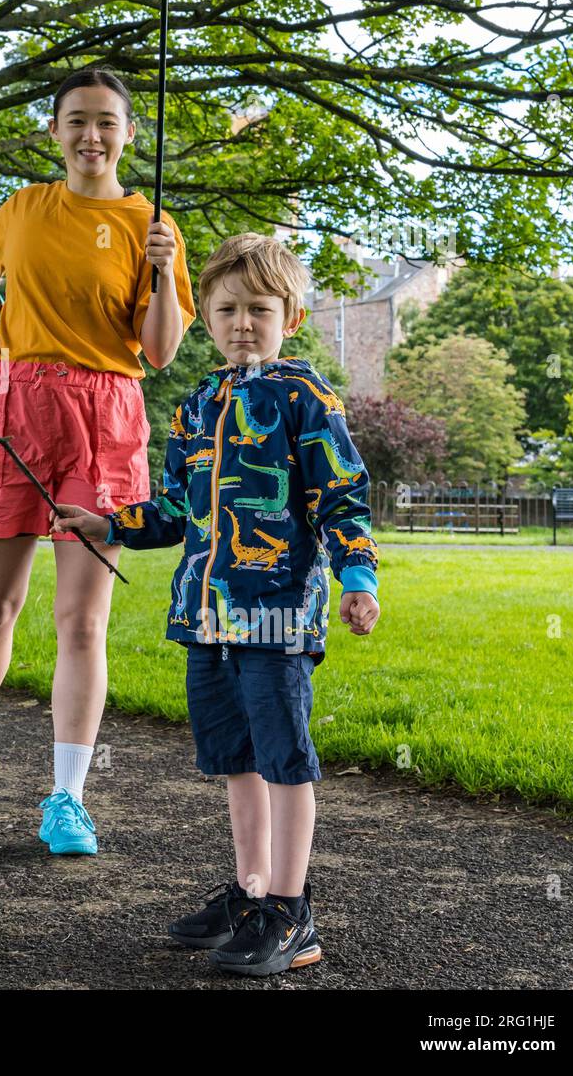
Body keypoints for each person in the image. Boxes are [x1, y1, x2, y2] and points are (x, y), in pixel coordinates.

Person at [53, 232, 381, 974]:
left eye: (258, 309)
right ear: (203, 313)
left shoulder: (305, 397)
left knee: (285, 761)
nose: (241, 322)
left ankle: (291, 913)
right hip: (207, 623)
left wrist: (359, 575)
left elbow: (342, 497)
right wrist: (108, 522)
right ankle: (251, 892)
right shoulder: (199, 403)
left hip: (275, 621)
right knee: (236, 762)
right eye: (226, 308)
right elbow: (174, 507)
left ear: (290, 316)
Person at [0, 68, 196, 854]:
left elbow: (161, 349)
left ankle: (67, 796)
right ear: (55, 129)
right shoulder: (30, 206)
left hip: (106, 416)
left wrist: (166, 271)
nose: (91, 135)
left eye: (107, 121)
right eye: (77, 120)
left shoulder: (151, 221)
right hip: (13, 406)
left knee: (81, 620)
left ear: (128, 133)